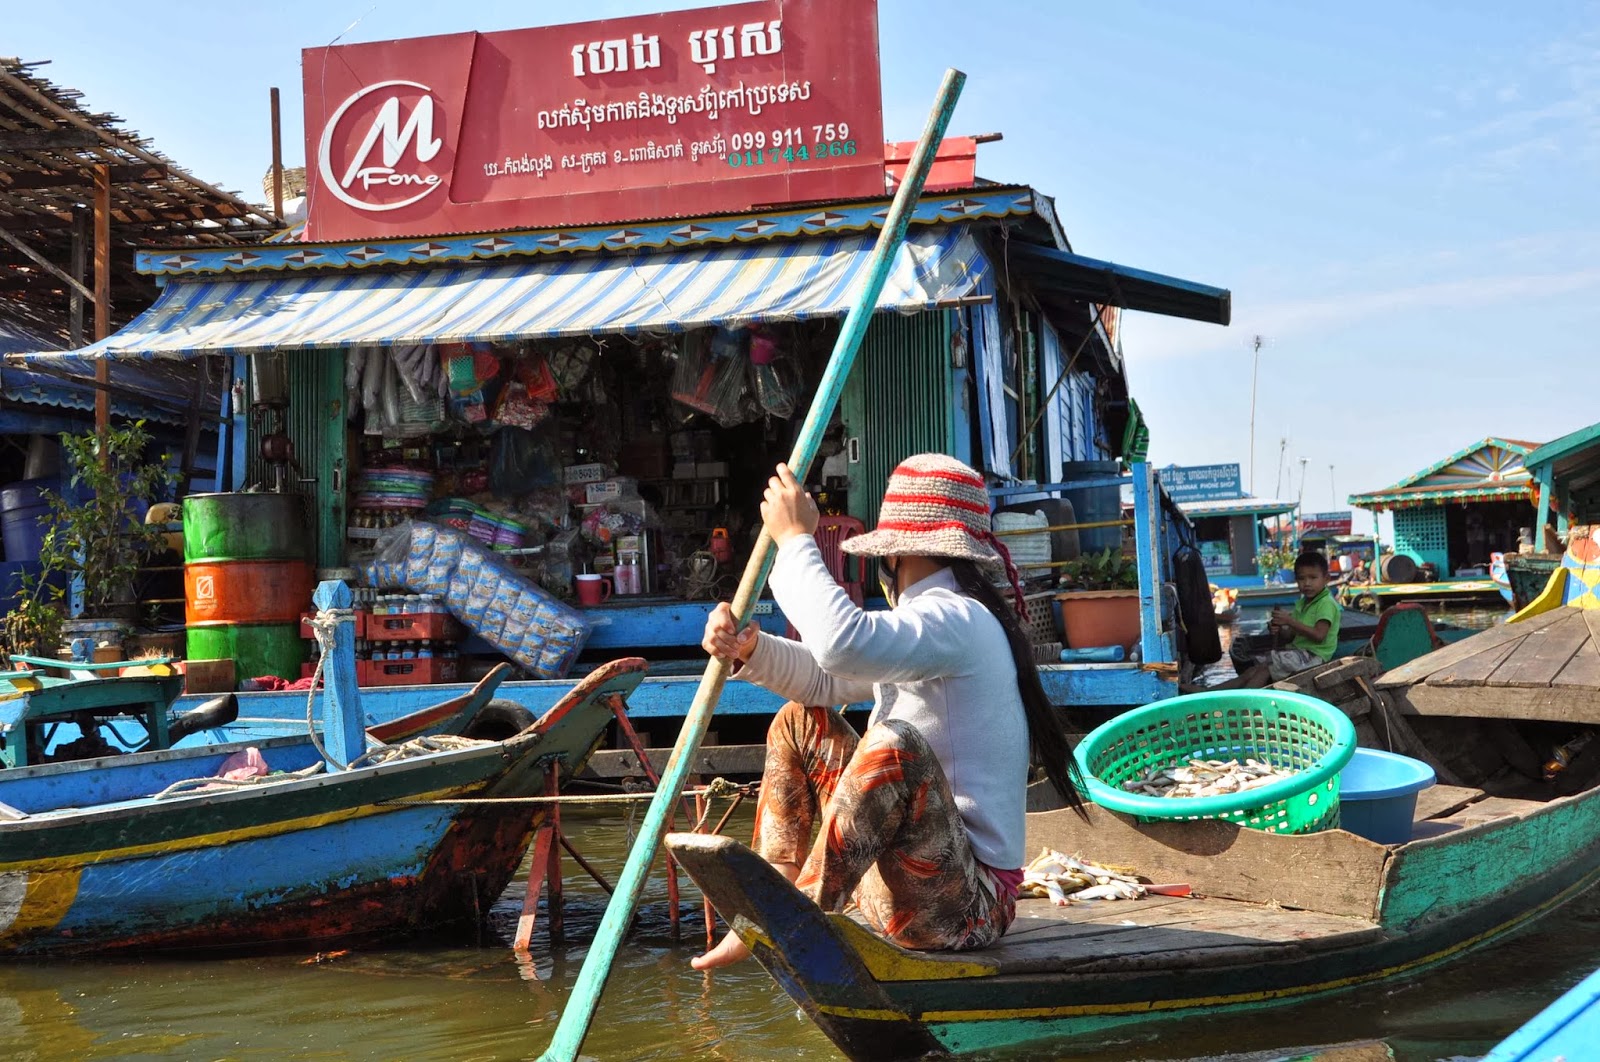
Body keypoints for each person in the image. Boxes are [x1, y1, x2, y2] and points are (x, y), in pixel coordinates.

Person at [693, 454, 1086, 970]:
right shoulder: (937, 619)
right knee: (799, 720)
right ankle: (773, 893)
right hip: (913, 883)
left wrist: (794, 539)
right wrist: (749, 648)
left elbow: (840, 645)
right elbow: (826, 679)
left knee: (892, 744)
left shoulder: (958, 619)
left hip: (966, 907)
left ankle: (794, 917)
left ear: (896, 555)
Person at [1217, 551, 1340, 689]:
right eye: (1301, 578)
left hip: (1313, 657)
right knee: (1252, 671)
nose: (1307, 583)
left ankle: (1245, 704)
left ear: (1326, 579)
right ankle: (1209, 692)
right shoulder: (1304, 603)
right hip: (1298, 653)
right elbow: (1290, 636)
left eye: (1313, 578)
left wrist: (1289, 621)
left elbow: (1319, 636)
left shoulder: (1326, 603)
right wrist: (1280, 628)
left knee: (1265, 669)